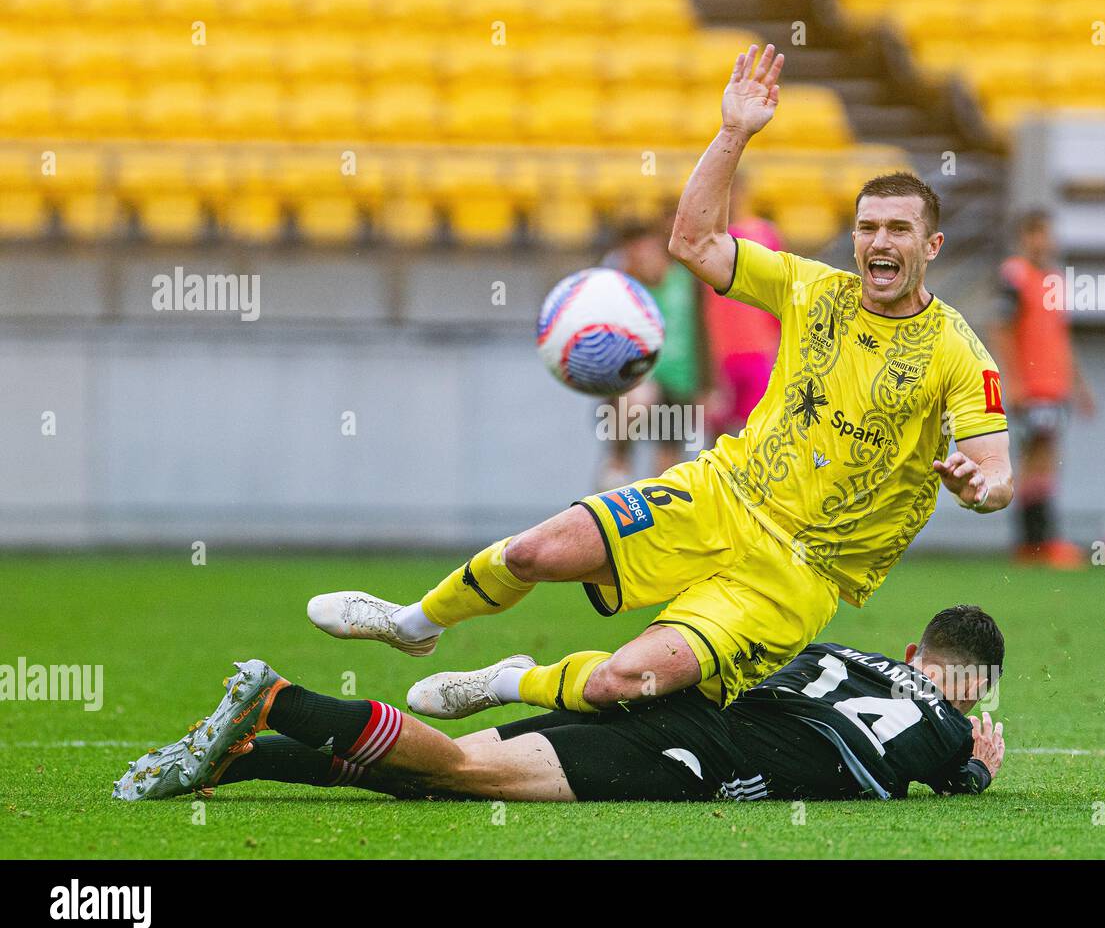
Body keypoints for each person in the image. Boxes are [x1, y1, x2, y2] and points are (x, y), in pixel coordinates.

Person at [303, 44, 1014, 723]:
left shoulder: (958, 352)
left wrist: (979, 489)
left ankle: (509, 679)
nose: (880, 242)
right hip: (721, 493)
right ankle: (411, 623)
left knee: (626, 681)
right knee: (533, 553)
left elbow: (997, 475)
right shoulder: (809, 286)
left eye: (898, 229)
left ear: (931, 246)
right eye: (867, 228)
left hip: (799, 572)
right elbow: (695, 244)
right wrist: (734, 132)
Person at [114, 605, 1006, 804]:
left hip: (678, 706)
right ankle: (282, 700)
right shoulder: (947, 727)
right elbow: (953, 785)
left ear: (915, 654)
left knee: (443, 779)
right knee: (464, 771)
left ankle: (248, 754)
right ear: (974, 685)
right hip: (696, 759)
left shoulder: (835, 649)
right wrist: (974, 763)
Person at [992, 210, 1095, 568]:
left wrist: (1080, 386)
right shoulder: (1015, 276)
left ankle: (1038, 543)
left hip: (1055, 386)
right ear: (1024, 238)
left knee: (1047, 460)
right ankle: (1035, 542)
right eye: (1035, 234)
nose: (1042, 241)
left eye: (1046, 234)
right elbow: (1002, 329)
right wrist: (1015, 381)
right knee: (1034, 458)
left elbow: (1060, 338)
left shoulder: (1054, 280)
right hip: (1032, 386)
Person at [597, 214, 710, 490]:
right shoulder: (624, 290)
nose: (645, 259)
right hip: (640, 380)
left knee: (669, 464)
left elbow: (702, 331)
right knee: (636, 399)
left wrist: (708, 384)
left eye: (649, 251)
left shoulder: (686, 281)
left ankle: (661, 512)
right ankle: (616, 468)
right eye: (636, 254)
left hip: (681, 381)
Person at [702, 169, 783, 436]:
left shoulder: (764, 233)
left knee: (757, 435)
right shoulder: (706, 240)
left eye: (733, 189)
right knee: (717, 439)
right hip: (721, 357)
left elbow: (780, 294)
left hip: (759, 353)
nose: (729, 196)